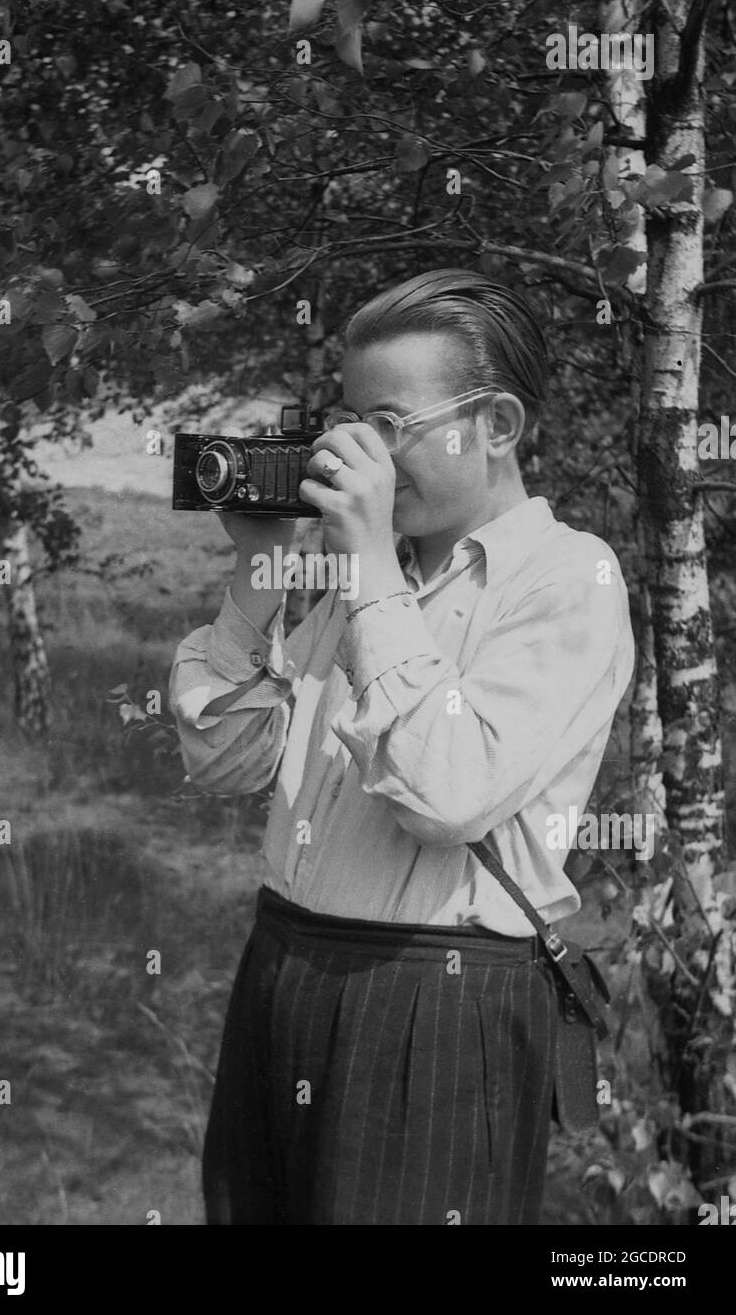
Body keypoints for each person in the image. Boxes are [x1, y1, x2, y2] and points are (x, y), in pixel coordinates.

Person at [167, 269, 635, 1226]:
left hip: (438, 996)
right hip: (286, 964)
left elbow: (446, 794)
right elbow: (224, 762)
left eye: (386, 424)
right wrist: (261, 572)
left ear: (496, 425)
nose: (354, 453)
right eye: (349, 422)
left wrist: (370, 566)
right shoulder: (366, 573)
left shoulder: (567, 578)